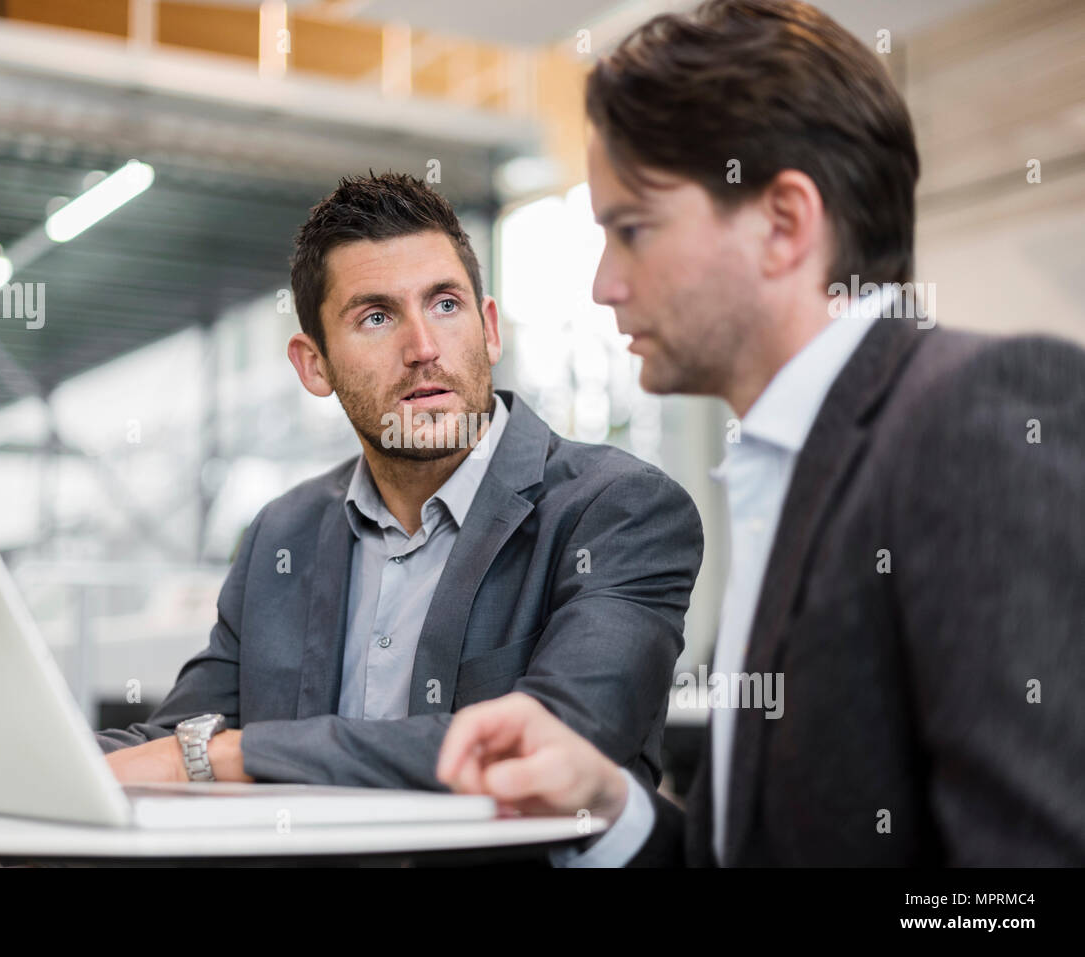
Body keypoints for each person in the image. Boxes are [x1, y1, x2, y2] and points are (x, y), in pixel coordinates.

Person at [437, 0, 1085, 866]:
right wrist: (606, 802)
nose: (603, 284)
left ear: (784, 224)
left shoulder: (971, 416)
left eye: (630, 229)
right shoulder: (785, 466)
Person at [96, 172, 704, 806]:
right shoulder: (283, 532)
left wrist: (229, 754)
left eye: (445, 304)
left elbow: (553, 745)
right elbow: (171, 744)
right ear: (314, 365)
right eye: (377, 316)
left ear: (489, 329)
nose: (422, 347)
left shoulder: (618, 510)